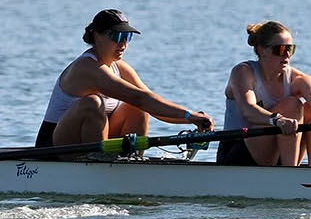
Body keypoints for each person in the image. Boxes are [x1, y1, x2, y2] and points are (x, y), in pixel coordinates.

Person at [35, 9, 212, 147]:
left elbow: (152, 105)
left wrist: (193, 119)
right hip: (53, 147)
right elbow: (139, 97)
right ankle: (97, 163)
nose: (123, 44)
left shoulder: (120, 68)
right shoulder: (86, 68)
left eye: (127, 37)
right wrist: (189, 115)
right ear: (97, 36)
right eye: (117, 36)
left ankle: (131, 162)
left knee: (139, 108)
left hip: (93, 143)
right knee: (93, 102)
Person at [216, 21, 311, 166]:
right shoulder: (243, 73)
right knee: (292, 105)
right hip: (237, 151)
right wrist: (277, 120)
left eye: (290, 49)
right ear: (261, 50)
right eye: (280, 49)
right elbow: (248, 110)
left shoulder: (298, 79)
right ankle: (290, 171)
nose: (286, 55)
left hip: (277, 153)